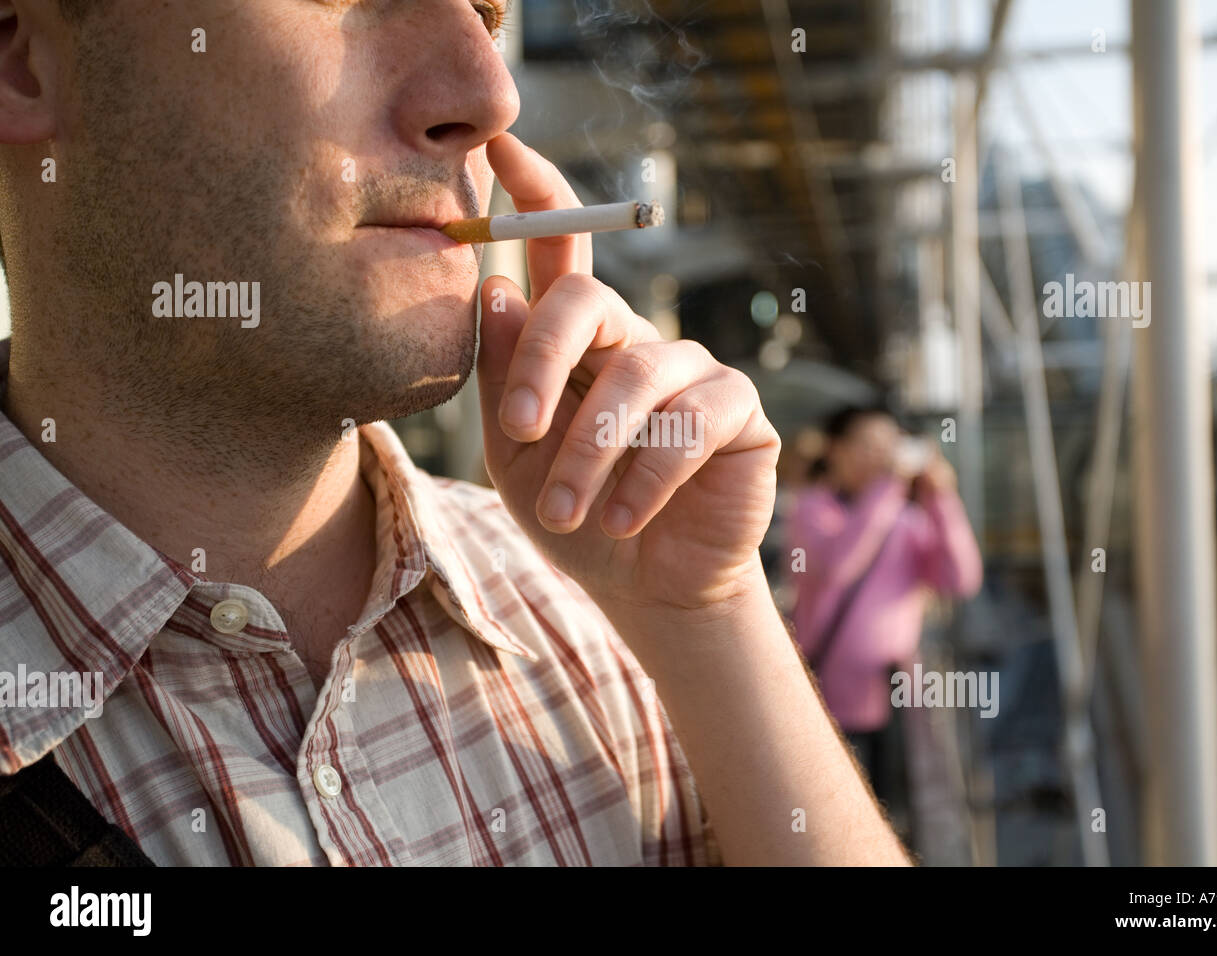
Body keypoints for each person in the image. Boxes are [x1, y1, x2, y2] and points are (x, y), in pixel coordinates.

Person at [0, 1, 909, 865]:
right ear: (23, 59)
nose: (489, 94)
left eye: (487, 11)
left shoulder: (599, 619)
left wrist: (708, 621)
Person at [788, 403, 983, 847]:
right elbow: (839, 565)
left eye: (889, 446)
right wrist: (891, 486)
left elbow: (959, 578)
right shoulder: (813, 509)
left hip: (893, 699)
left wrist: (942, 498)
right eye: (867, 445)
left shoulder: (904, 518)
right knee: (826, 817)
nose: (880, 457)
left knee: (892, 816)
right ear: (835, 450)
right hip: (826, 700)